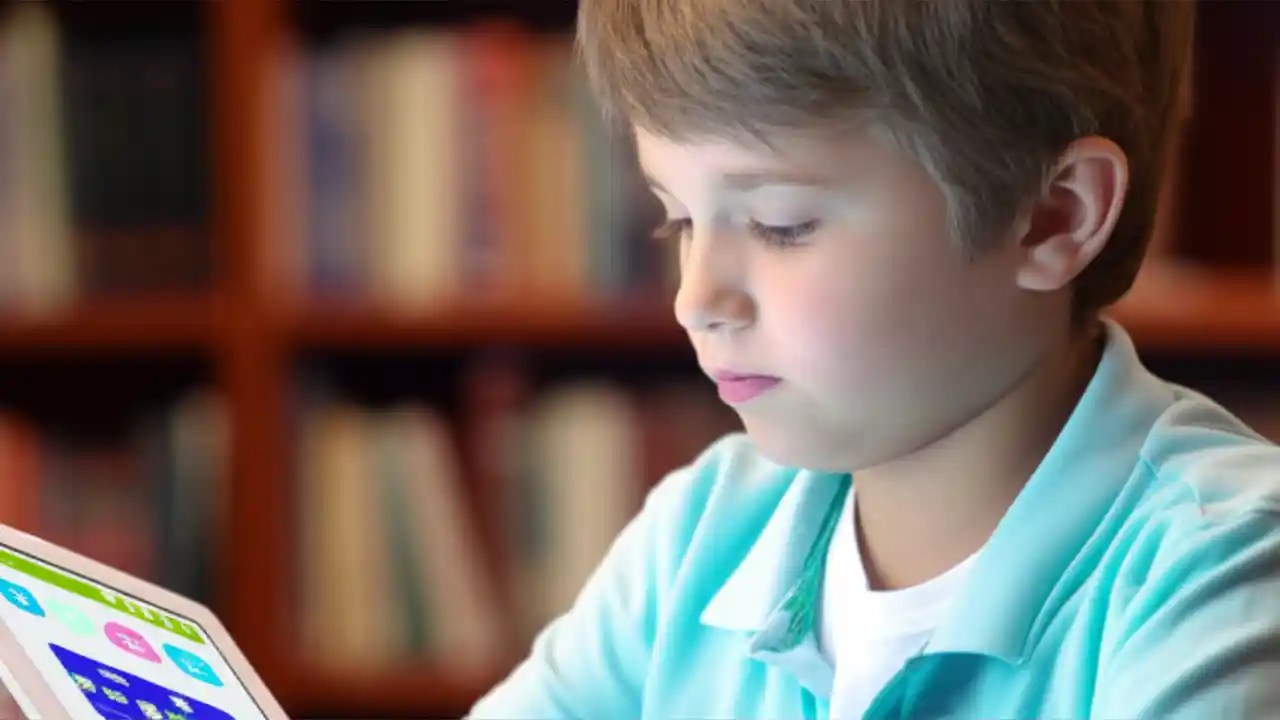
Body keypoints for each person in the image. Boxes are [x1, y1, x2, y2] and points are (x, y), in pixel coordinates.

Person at [471, 1, 1280, 718]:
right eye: (679, 221)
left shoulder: (1224, 568)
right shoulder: (702, 534)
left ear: (1050, 216)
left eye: (780, 224)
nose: (697, 298)